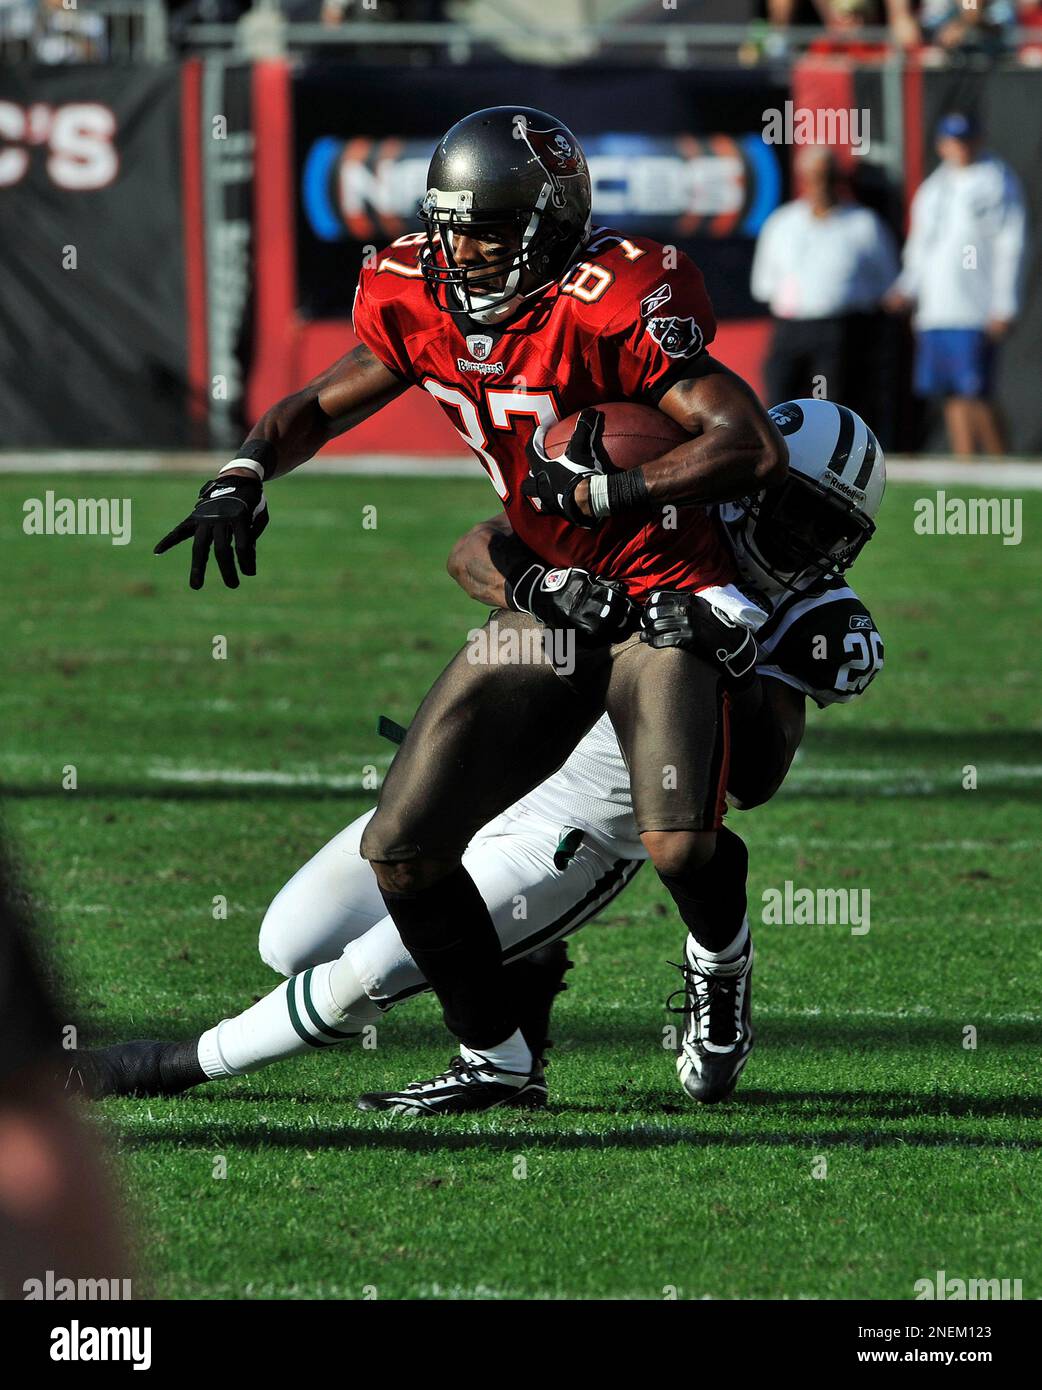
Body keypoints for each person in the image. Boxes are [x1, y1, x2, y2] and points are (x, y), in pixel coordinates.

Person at [150, 106, 788, 1115]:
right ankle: (496, 1059)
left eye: (483, 228)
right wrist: (246, 467)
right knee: (400, 847)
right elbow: (318, 404)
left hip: (659, 591)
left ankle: (720, 968)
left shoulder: (612, 297)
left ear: (546, 225)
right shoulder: (418, 294)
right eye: (447, 224)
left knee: (683, 846)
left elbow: (748, 443)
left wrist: (613, 492)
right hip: (546, 590)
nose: (456, 249)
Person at [74, 399, 884, 1114]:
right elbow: (475, 549)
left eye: (828, 530)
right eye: (791, 511)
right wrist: (542, 589)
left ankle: (172, 1065)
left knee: (370, 971)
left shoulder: (818, 624)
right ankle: (526, 967)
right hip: (491, 779)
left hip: (576, 835)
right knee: (289, 942)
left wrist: (735, 666)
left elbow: (757, 780)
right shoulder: (656, 511)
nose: (802, 541)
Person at [884, 112, 1026, 456]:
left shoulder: (996, 181)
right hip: (936, 309)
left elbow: (1012, 244)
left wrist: (1004, 303)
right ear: (941, 145)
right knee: (948, 393)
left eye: (965, 140)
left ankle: (1001, 464)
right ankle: (966, 466)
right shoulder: (934, 188)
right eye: (952, 141)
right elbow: (921, 246)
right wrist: (907, 287)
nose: (959, 148)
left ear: (978, 140)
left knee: (975, 392)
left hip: (973, 307)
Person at [752, 147, 899, 414]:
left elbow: (888, 284)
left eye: (828, 176)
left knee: (833, 405)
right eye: (814, 176)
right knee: (777, 403)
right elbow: (763, 284)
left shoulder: (863, 223)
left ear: (838, 179)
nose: (821, 184)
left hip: (841, 330)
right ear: (803, 179)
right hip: (790, 329)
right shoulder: (782, 223)